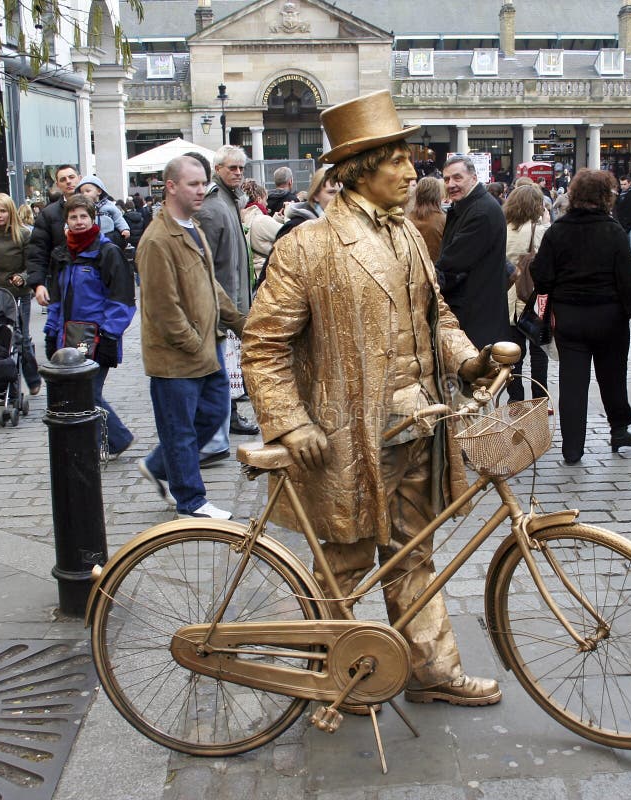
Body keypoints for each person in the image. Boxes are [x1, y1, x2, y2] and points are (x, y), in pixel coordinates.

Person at [241, 89, 502, 708]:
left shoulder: (410, 236)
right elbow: (263, 346)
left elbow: (435, 314)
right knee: (348, 559)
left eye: (411, 161)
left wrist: (468, 358)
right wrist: (289, 421)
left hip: (419, 422)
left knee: (414, 550)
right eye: (399, 162)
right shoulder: (307, 247)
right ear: (360, 169)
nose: (413, 173)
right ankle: (337, 673)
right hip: (349, 432)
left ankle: (432, 671)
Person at [135, 155, 247, 519]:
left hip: (205, 349)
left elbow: (210, 285)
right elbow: (162, 308)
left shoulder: (193, 229)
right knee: (180, 429)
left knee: (214, 414)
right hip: (177, 357)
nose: (202, 190)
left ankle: (159, 464)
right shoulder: (156, 240)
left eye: (203, 183)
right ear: (171, 186)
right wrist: (194, 343)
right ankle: (191, 501)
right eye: (193, 184)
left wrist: (239, 322)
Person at [531, 168, 631, 464]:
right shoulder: (613, 231)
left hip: (569, 318)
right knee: (613, 378)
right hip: (609, 318)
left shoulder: (558, 230)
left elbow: (540, 273)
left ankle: (572, 448)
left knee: (572, 383)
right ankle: (619, 432)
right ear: (606, 197)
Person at [43, 195, 136, 456]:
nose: (79, 221)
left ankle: (115, 438)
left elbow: (122, 300)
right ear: (66, 221)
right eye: (73, 217)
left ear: (93, 218)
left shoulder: (107, 252)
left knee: (88, 392)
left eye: (84, 216)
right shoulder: (62, 255)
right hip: (68, 337)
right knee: (79, 392)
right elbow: (57, 298)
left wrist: (109, 334)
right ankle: (105, 441)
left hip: (97, 336)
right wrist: (51, 331)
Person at [194, 145, 260, 439]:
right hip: (221, 304)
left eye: (241, 169)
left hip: (233, 301)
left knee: (227, 369)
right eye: (231, 168)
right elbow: (205, 265)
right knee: (222, 371)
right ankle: (217, 427)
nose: (237, 173)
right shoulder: (213, 205)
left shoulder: (230, 201)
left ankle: (224, 422)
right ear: (217, 169)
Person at [436, 155, 511, 349]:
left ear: (474, 178)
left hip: (476, 315)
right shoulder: (468, 207)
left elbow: (451, 264)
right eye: (446, 179)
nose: (451, 184)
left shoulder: (480, 212)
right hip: (475, 311)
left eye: (457, 178)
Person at [0, 194, 42, 395]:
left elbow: (32, 264)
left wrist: (23, 277)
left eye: (3, 211)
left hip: (18, 293)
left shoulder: (23, 234)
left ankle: (32, 378)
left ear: (10, 212)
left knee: (20, 337)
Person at [503, 184, 549, 402]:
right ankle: (540, 398)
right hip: (533, 300)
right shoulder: (538, 231)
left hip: (508, 299)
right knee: (539, 353)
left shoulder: (503, 229)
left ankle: (516, 398)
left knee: (513, 356)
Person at [26, 164, 81, 307]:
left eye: (71, 177)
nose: (68, 181)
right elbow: (38, 251)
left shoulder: (96, 207)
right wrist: (38, 284)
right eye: (63, 179)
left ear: (79, 178)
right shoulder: (49, 214)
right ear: (58, 184)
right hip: (60, 281)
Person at [76, 176, 131, 248]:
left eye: (88, 191)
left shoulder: (109, 205)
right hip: (90, 238)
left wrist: (124, 229)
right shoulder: (82, 206)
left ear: (99, 191)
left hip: (109, 236)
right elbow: (73, 218)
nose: (84, 194)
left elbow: (118, 217)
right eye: (82, 192)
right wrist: (67, 228)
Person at [407, 176, 446, 262]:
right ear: (437, 194)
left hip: (414, 269)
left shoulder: (407, 219)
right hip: (436, 270)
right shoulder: (443, 220)